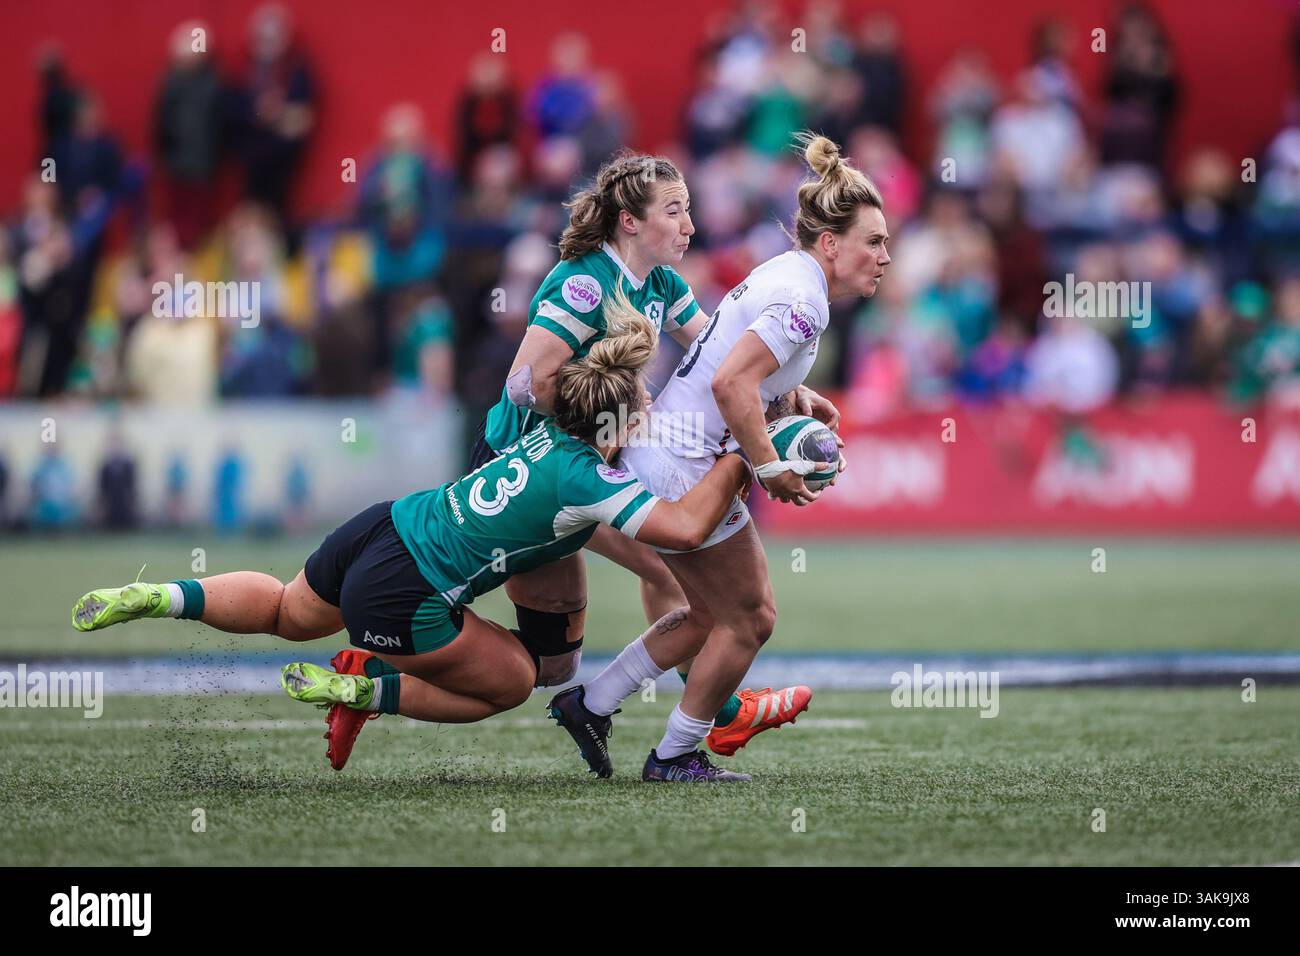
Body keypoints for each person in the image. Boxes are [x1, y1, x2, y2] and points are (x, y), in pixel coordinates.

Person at [70, 295, 753, 774]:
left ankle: (162, 595)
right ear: (612, 425)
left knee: (284, 609)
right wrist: (747, 450)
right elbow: (689, 529)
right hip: (407, 592)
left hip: (384, 525)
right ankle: (367, 690)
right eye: (641, 413)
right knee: (517, 680)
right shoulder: (591, 481)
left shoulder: (545, 432)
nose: (647, 422)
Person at [549, 133, 891, 782]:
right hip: (683, 463)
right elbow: (731, 384)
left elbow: (737, 359)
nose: (884, 256)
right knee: (751, 616)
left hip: (667, 452)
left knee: (709, 613)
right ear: (831, 244)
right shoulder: (806, 298)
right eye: (873, 242)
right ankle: (674, 756)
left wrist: (797, 395)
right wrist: (769, 468)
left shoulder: (791, 274)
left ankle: (590, 705)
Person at [473, 149, 810, 761]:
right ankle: (716, 713)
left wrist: (789, 390)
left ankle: (660, 706)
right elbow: (525, 384)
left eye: (689, 211)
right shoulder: (585, 283)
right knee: (671, 574)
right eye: (675, 212)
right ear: (629, 220)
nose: (690, 227)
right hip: (527, 465)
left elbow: (724, 353)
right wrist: (616, 423)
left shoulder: (660, 284)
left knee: (552, 665)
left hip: (584, 464)